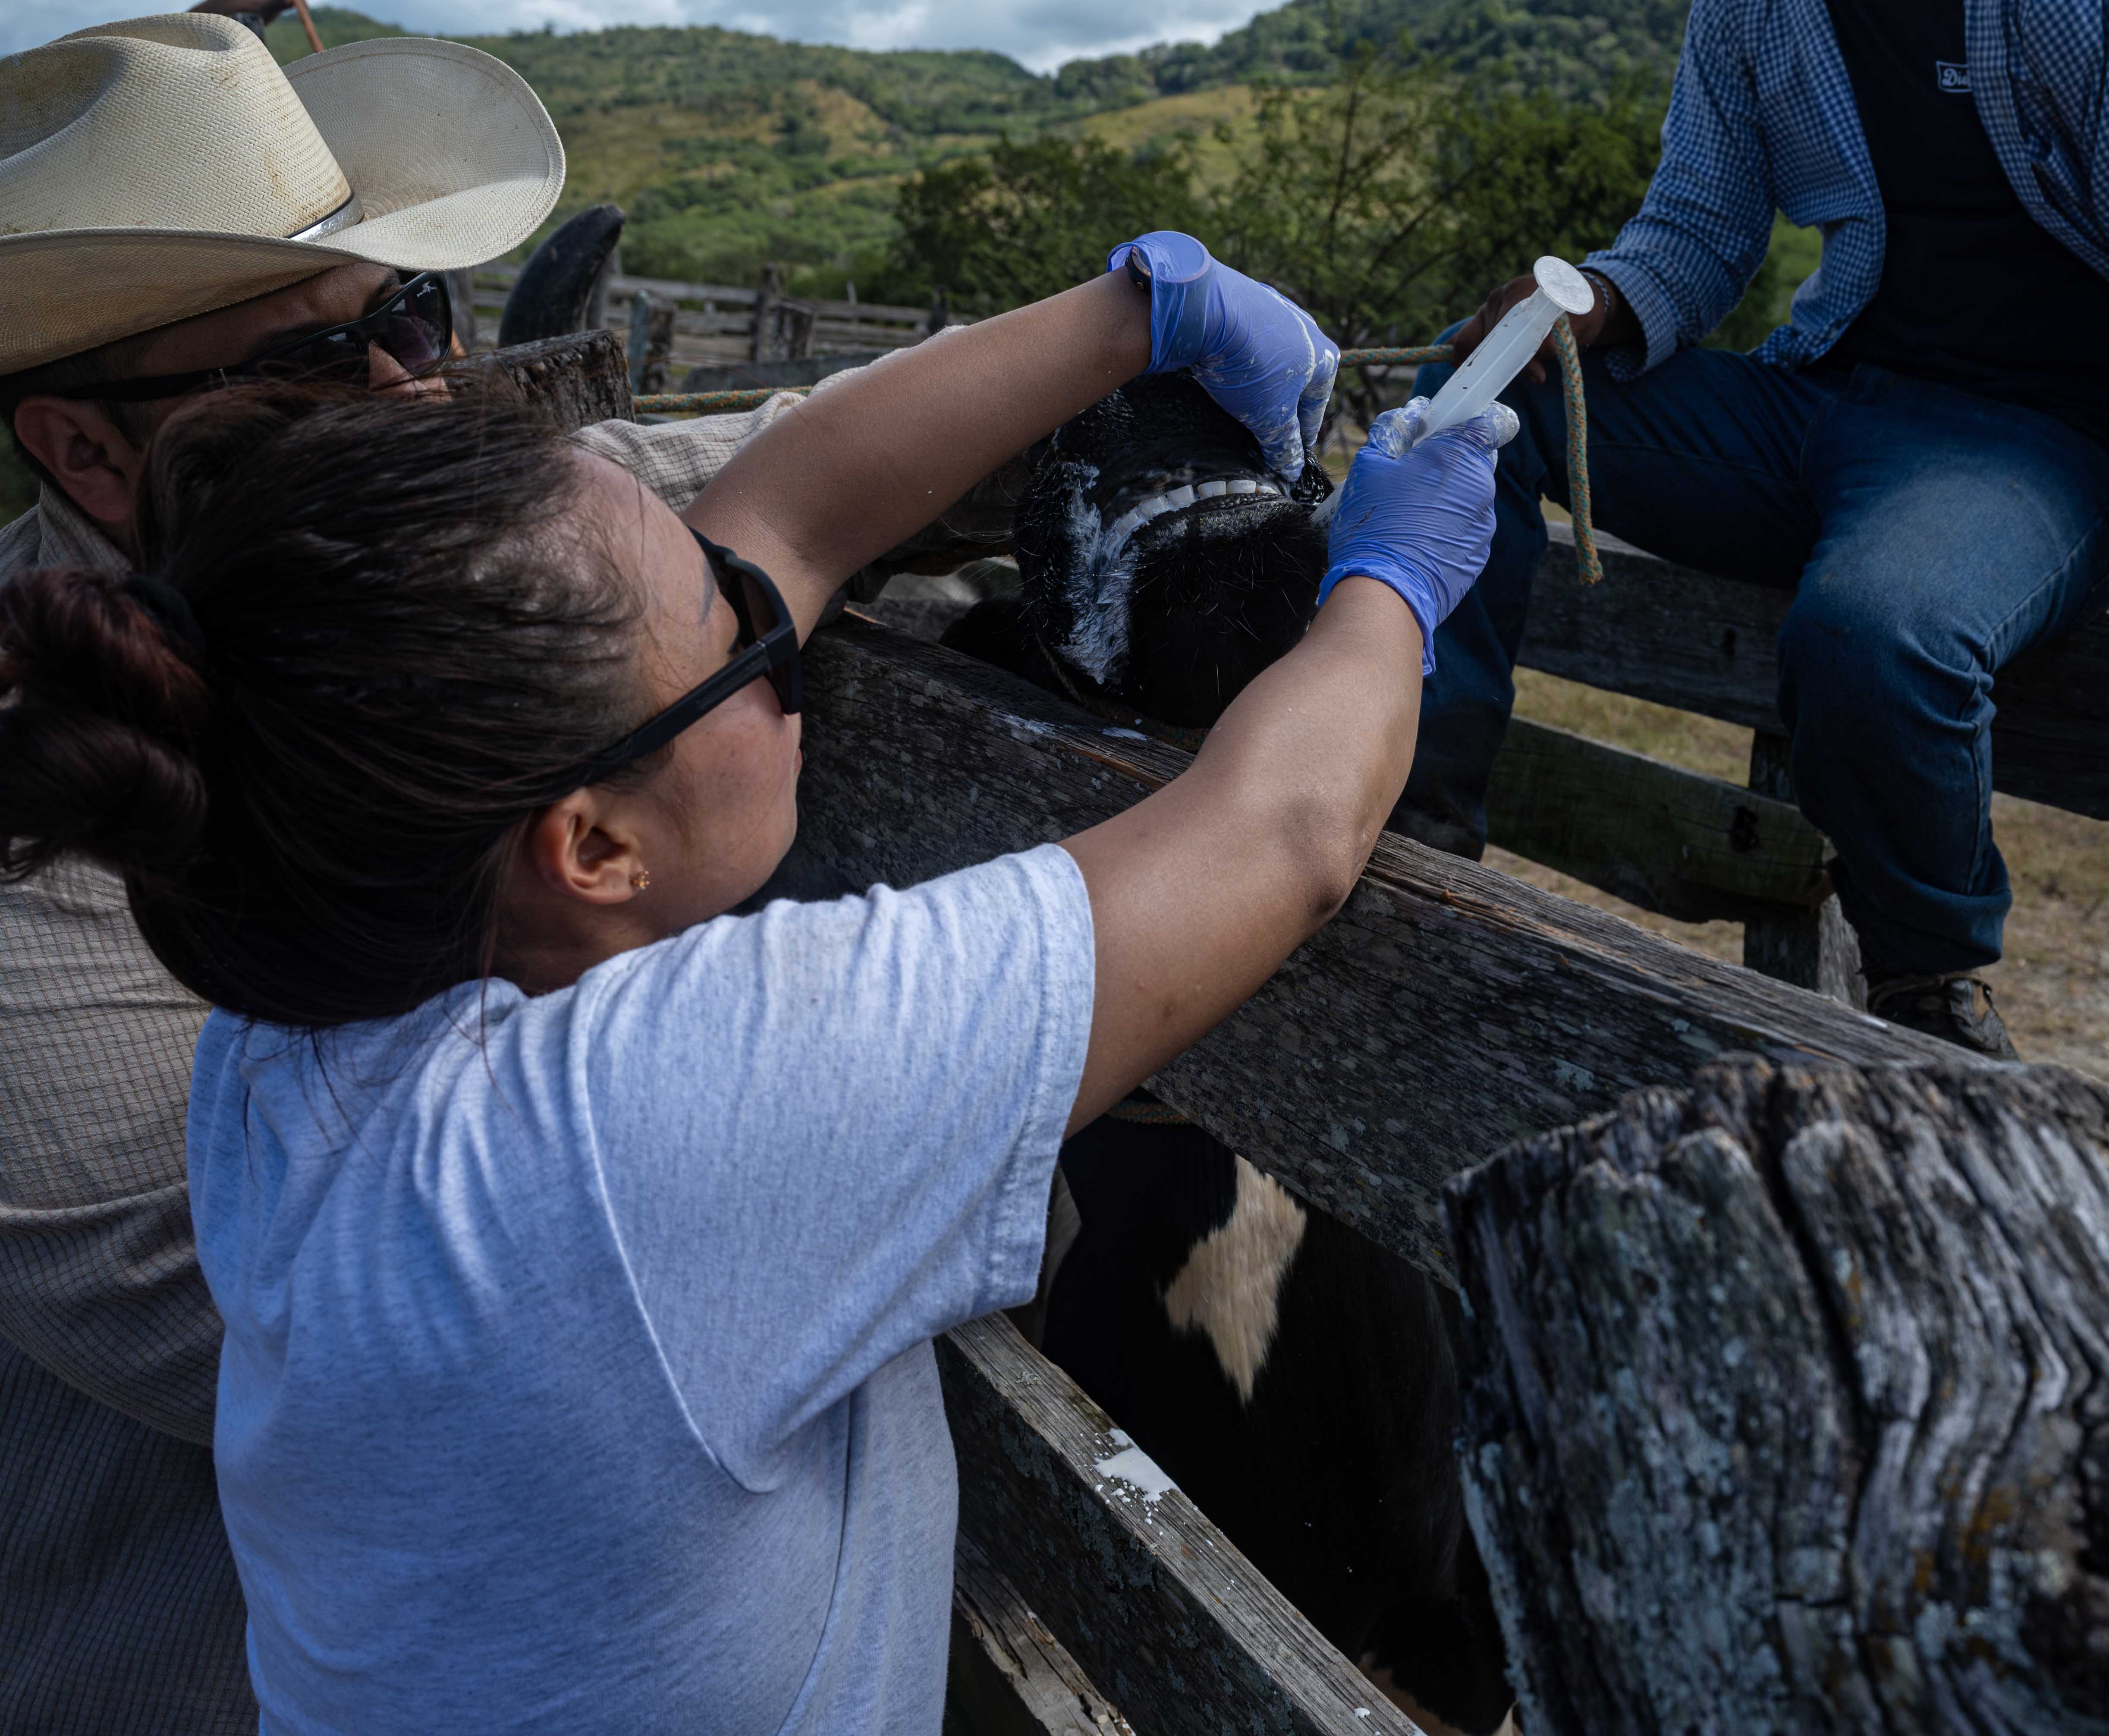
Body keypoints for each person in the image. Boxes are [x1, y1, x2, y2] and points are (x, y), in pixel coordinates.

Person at [0, 219, 1500, 1733]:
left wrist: (1134, 316)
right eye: (741, 644)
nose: (777, 622)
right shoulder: (641, 1130)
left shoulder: (287, 1019)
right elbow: (1286, 829)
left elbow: (791, 511)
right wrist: (1387, 579)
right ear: (590, 847)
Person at [0, 17, 824, 1727]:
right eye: (311, 363)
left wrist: (1086, 364)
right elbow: (343, 1340)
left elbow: (664, 487)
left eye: (414, 318)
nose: (408, 395)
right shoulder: (33, 813)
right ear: (84, 455)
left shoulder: (378, 573)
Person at [1412, 0, 2109, 1057]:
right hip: (1827, 398)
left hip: (2039, 444)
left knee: (1876, 631)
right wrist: (1595, 299)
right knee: (1475, 402)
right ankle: (1413, 839)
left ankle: (1930, 998)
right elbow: (1699, 222)